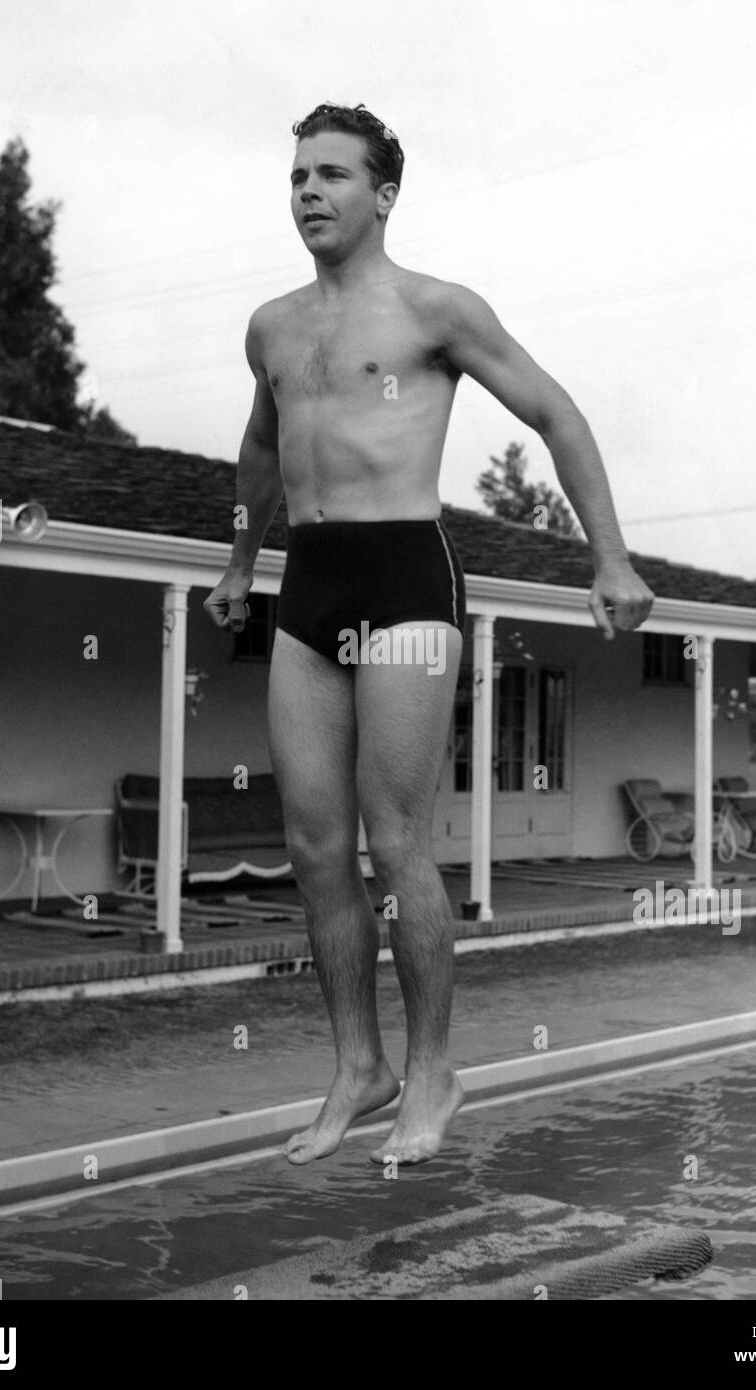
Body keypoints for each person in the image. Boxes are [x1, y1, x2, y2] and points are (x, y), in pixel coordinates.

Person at [205, 103, 654, 1166]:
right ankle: (358, 1065)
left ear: (383, 194)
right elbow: (259, 456)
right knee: (315, 845)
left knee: (394, 834)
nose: (309, 191)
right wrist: (235, 562)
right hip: (308, 585)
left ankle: (435, 1069)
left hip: (405, 574)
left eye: (332, 175)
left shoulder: (435, 309)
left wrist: (612, 556)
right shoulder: (271, 326)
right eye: (298, 175)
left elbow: (556, 415)